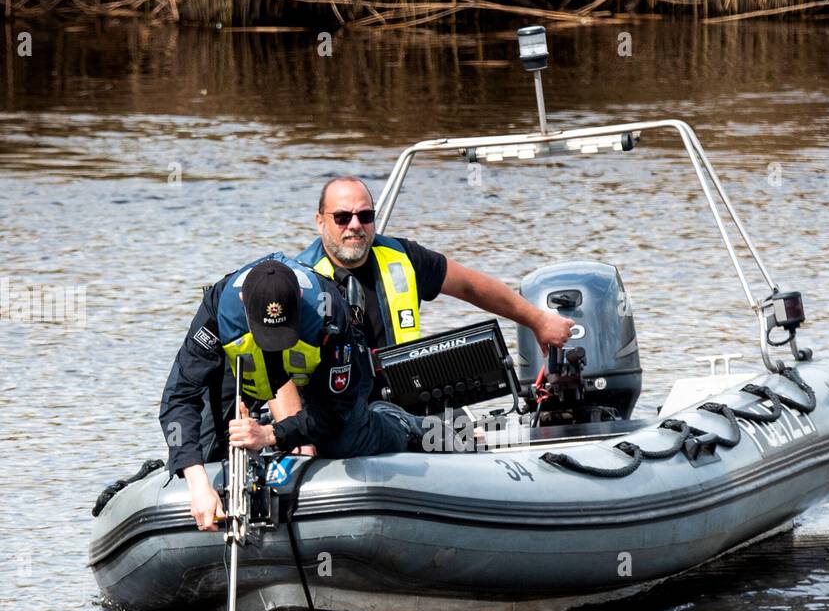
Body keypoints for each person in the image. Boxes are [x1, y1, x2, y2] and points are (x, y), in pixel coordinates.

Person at [160, 254, 420, 531]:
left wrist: (271, 435)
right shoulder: (218, 308)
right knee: (203, 450)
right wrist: (197, 481)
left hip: (320, 370)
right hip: (245, 368)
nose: (275, 343)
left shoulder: (329, 310)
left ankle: (402, 424)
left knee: (340, 442)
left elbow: (335, 411)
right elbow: (179, 395)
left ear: (297, 295)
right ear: (242, 303)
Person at [297, 176, 575, 363]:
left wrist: (538, 320)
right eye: (343, 217)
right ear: (320, 221)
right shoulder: (299, 280)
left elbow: (470, 285)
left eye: (365, 216)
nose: (355, 225)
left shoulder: (404, 257)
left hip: (400, 400)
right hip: (334, 411)